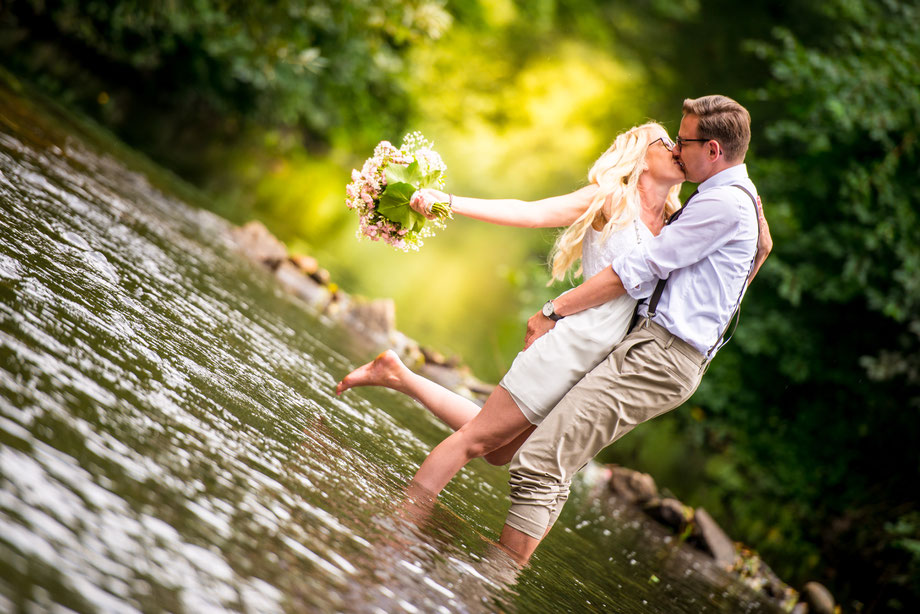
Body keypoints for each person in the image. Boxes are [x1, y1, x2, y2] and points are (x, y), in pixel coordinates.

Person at [496, 94, 772, 564]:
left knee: (540, 463)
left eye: (682, 142)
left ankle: (492, 583)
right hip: (656, 349)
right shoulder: (733, 198)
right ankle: (502, 577)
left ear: (711, 150)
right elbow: (763, 244)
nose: (676, 149)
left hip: (661, 353)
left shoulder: (724, 203)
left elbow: (636, 269)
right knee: (553, 464)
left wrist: (553, 310)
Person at [336, 122, 684, 468]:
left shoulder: (675, 223)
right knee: (477, 441)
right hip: (575, 340)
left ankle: (398, 375)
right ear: (641, 156)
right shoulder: (611, 198)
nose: (676, 148)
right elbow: (530, 213)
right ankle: (406, 519)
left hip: (609, 356)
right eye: (665, 141)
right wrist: (449, 201)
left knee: (502, 453)